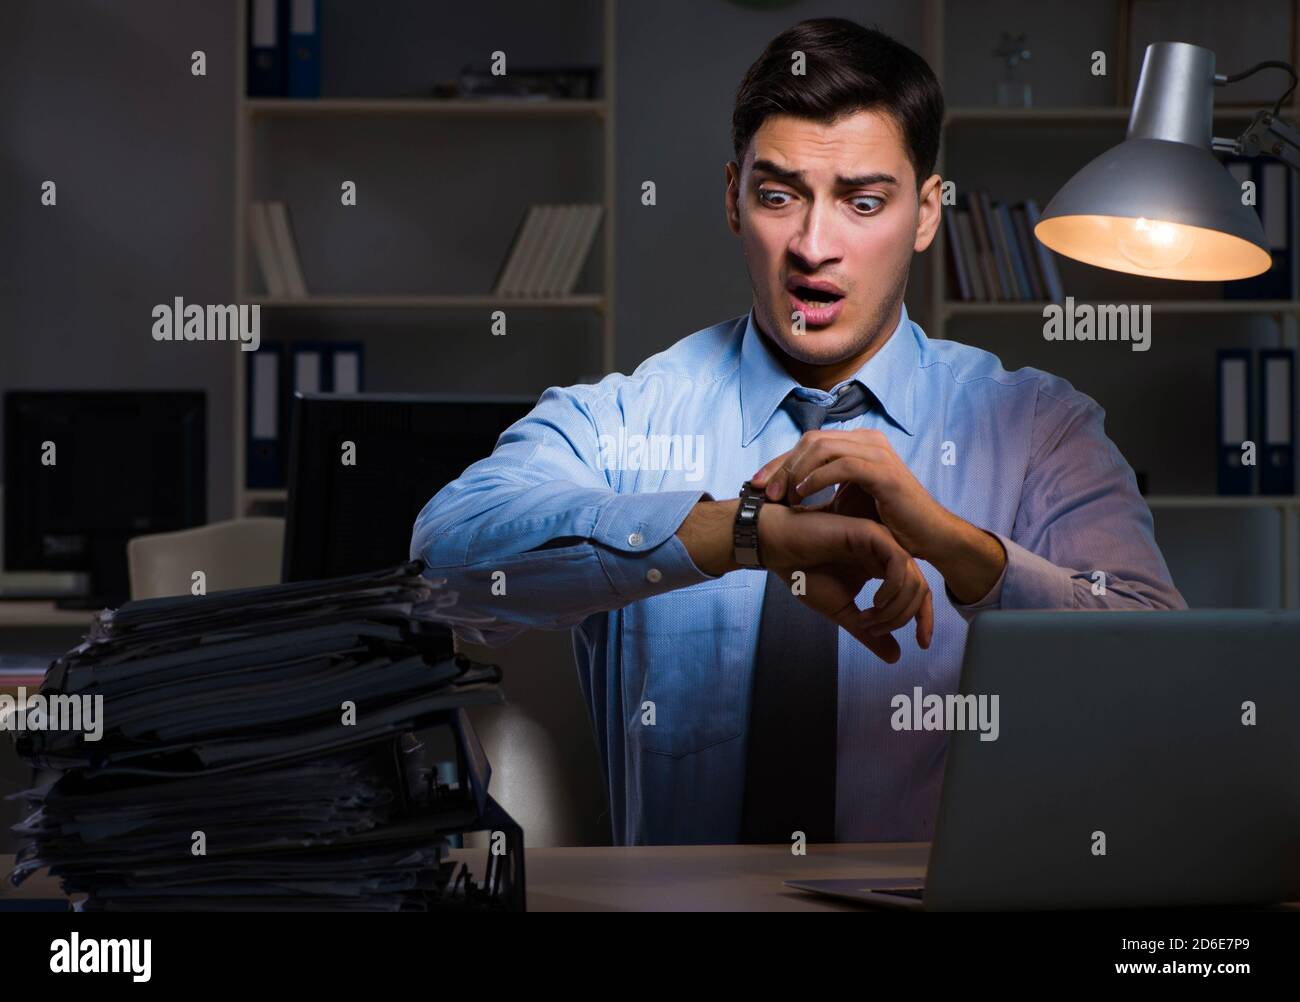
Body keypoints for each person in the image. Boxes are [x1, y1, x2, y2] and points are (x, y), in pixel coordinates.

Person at [411, 17, 1185, 847]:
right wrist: (740, 534)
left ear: (926, 213)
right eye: (779, 196)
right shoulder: (626, 417)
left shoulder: (1039, 427)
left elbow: (1165, 681)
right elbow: (439, 566)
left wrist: (961, 549)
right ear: (733, 200)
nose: (815, 247)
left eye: (863, 202)